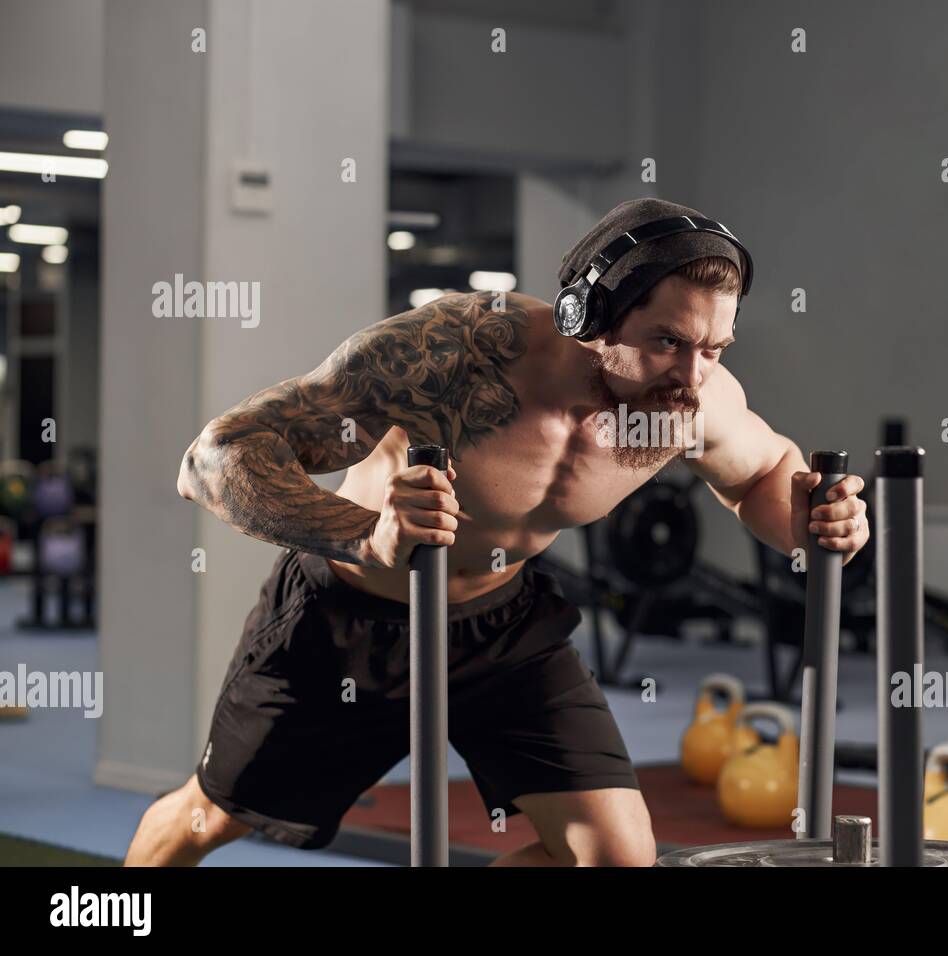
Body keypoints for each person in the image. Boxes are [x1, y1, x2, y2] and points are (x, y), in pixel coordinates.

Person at [124, 198, 870, 866]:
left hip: (502, 628)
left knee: (616, 857)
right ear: (589, 318)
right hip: (350, 619)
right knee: (206, 818)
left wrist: (811, 518)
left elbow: (764, 475)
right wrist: (363, 536)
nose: (694, 376)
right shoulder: (454, 354)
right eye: (668, 342)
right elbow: (215, 460)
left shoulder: (687, 403)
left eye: (714, 350)